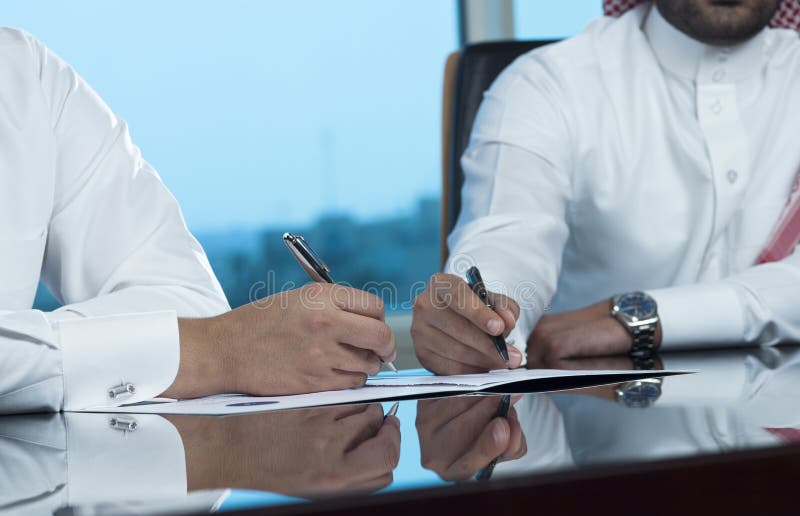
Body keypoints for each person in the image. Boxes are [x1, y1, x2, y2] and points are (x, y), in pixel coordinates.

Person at [0, 29, 396, 414]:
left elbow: (189, 306)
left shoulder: (24, 72)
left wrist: (199, 347)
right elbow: (200, 333)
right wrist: (219, 349)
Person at [412, 0, 800, 374]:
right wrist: (481, 318)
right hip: (582, 427)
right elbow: (507, 238)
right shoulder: (548, 84)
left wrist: (637, 317)